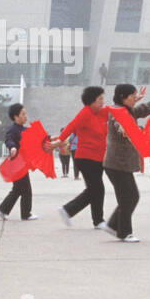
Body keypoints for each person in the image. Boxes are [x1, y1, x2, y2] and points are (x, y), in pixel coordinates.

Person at [103, 82, 150, 242]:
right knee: (129, 197)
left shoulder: (124, 111)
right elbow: (123, 128)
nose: (135, 98)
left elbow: (144, 109)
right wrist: (135, 133)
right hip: (117, 164)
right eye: (132, 96)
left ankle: (113, 225)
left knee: (129, 197)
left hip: (120, 164)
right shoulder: (116, 113)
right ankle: (124, 232)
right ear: (123, 97)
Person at [52, 87, 109, 229]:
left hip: (97, 157)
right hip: (86, 158)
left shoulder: (100, 113)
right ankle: (70, 211)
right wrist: (59, 141)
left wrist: (130, 104)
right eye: (100, 99)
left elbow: (117, 111)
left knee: (95, 189)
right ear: (92, 101)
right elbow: (71, 126)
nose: (103, 102)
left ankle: (96, 220)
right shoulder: (85, 113)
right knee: (96, 189)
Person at [0, 103, 38, 221]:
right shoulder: (13, 130)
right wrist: (12, 147)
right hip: (17, 164)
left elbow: (36, 137)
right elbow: (8, 140)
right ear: (15, 116)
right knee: (25, 190)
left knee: (18, 189)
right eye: (23, 114)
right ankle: (25, 214)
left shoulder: (24, 129)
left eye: (25, 114)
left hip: (22, 164)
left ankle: (3, 210)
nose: (26, 116)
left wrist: (50, 139)